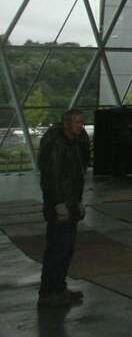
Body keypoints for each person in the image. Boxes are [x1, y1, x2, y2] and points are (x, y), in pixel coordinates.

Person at [37, 108, 90, 308]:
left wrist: (76, 201)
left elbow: (74, 175)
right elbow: (51, 176)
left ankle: (58, 288)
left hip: (69, 202)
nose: (81, 126)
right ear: (67, 123)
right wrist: (59, 203)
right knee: (57, 248)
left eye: (82, 122)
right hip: (58, 204)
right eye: (77, 122)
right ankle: (49, 292)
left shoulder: (73, 141)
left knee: (66, 248)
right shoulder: (56, 143)